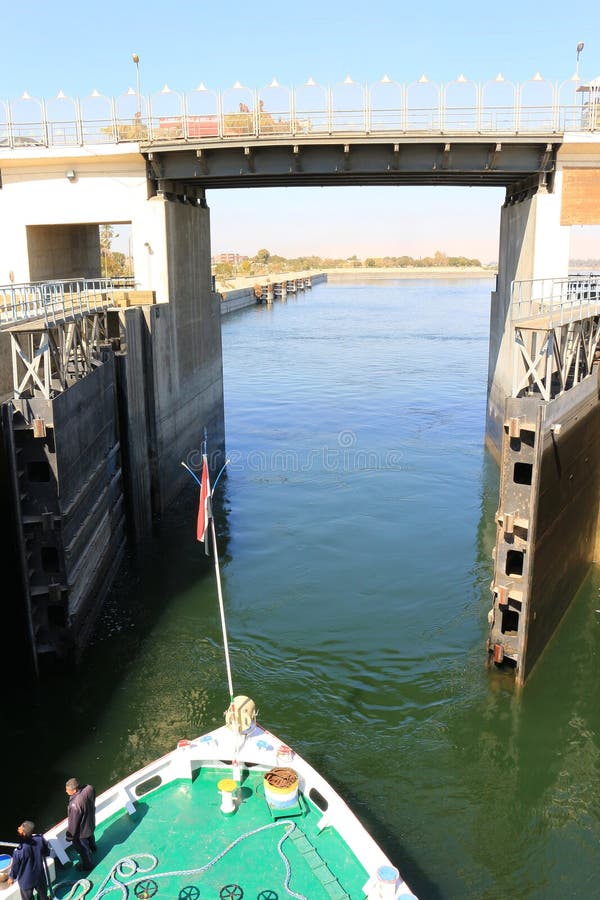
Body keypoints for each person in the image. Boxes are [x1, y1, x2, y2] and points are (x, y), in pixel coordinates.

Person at [7, 821, 50, 900]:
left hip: (26, 881)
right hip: (39, 877)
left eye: (20, 827)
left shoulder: (18, 851)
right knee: (43, 896)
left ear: (23, 833)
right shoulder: (40, 839)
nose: (18, 828)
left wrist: (11, 877)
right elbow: (46, 852)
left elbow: (15, 866)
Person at [65, 778, 96, 872]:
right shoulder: (89, 788)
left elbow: (74, 822)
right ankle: (93, 848)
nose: (66, 791)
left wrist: (69, 836)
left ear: (74, 790)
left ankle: (87, 865)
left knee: (82, 849)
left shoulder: (75, 803)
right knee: (90, 836)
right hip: (90, 822)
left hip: (82, 831)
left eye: (68, 790)